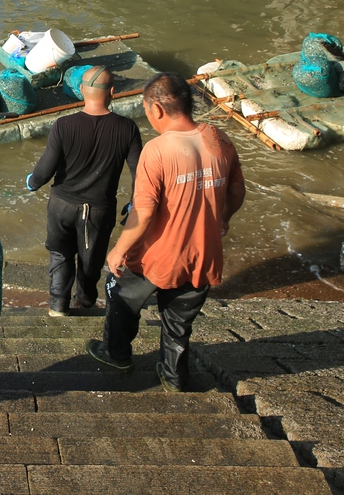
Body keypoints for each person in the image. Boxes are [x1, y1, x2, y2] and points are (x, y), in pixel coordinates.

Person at [85, 72, 245, 392]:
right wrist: (222, 219)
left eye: (146, 110)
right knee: (179, 320)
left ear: (156, 109)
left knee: (120, 294)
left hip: (157, 255)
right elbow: (238, 191)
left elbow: (143, 215)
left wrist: (118, 250)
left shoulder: (157, 151)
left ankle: (117, 354)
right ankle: (174, 374)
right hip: (203, 252)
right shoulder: (219, 138)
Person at [26, 65, 142, 317]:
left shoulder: (63, 125)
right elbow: (140, 174)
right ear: (113, 91)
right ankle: (86, 302)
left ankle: (58, 305)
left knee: (60, 254)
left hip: (62, 206)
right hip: (99, 211)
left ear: (81, 90)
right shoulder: (127, 128)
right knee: (91, 259)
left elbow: (45, 170)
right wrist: (134, 203)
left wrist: (33, 182)